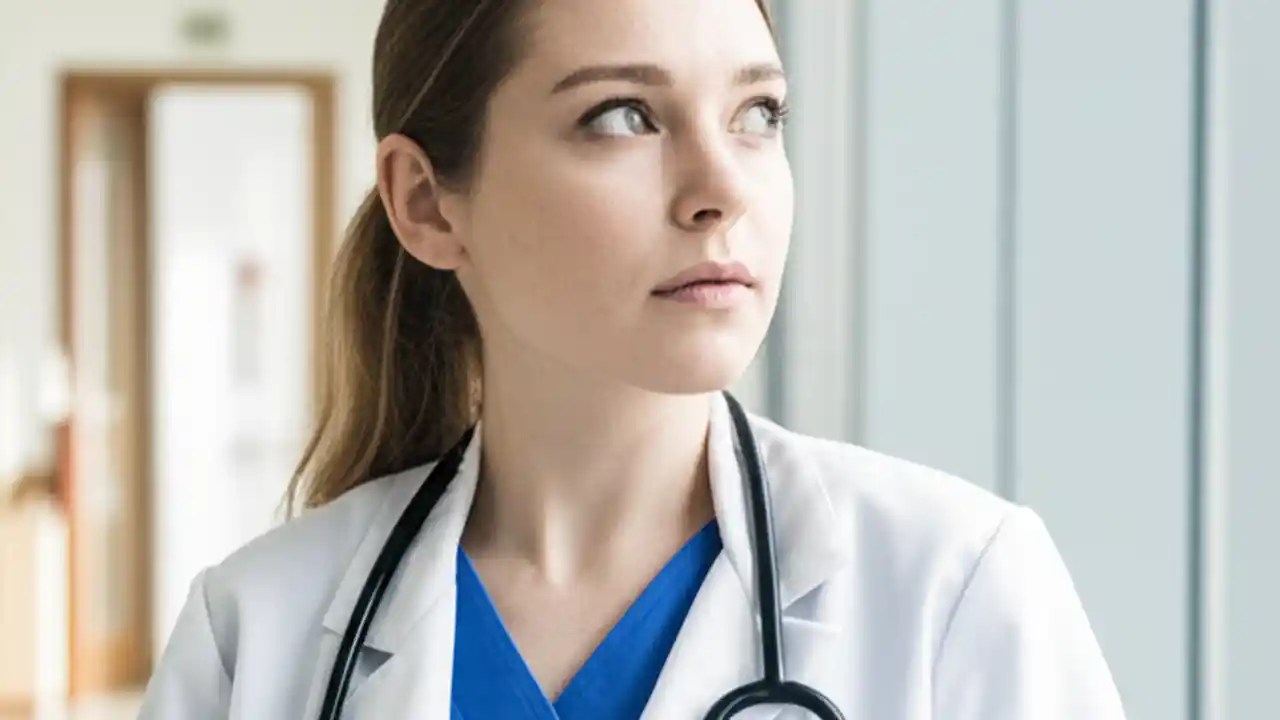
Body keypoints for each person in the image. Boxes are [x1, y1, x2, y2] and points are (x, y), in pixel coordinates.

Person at [138, 0, 1128, 717]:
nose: (719, 189)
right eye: (623, 115)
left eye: (757, 114)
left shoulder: (950, 590)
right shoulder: (256, 634)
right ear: (429, 204)